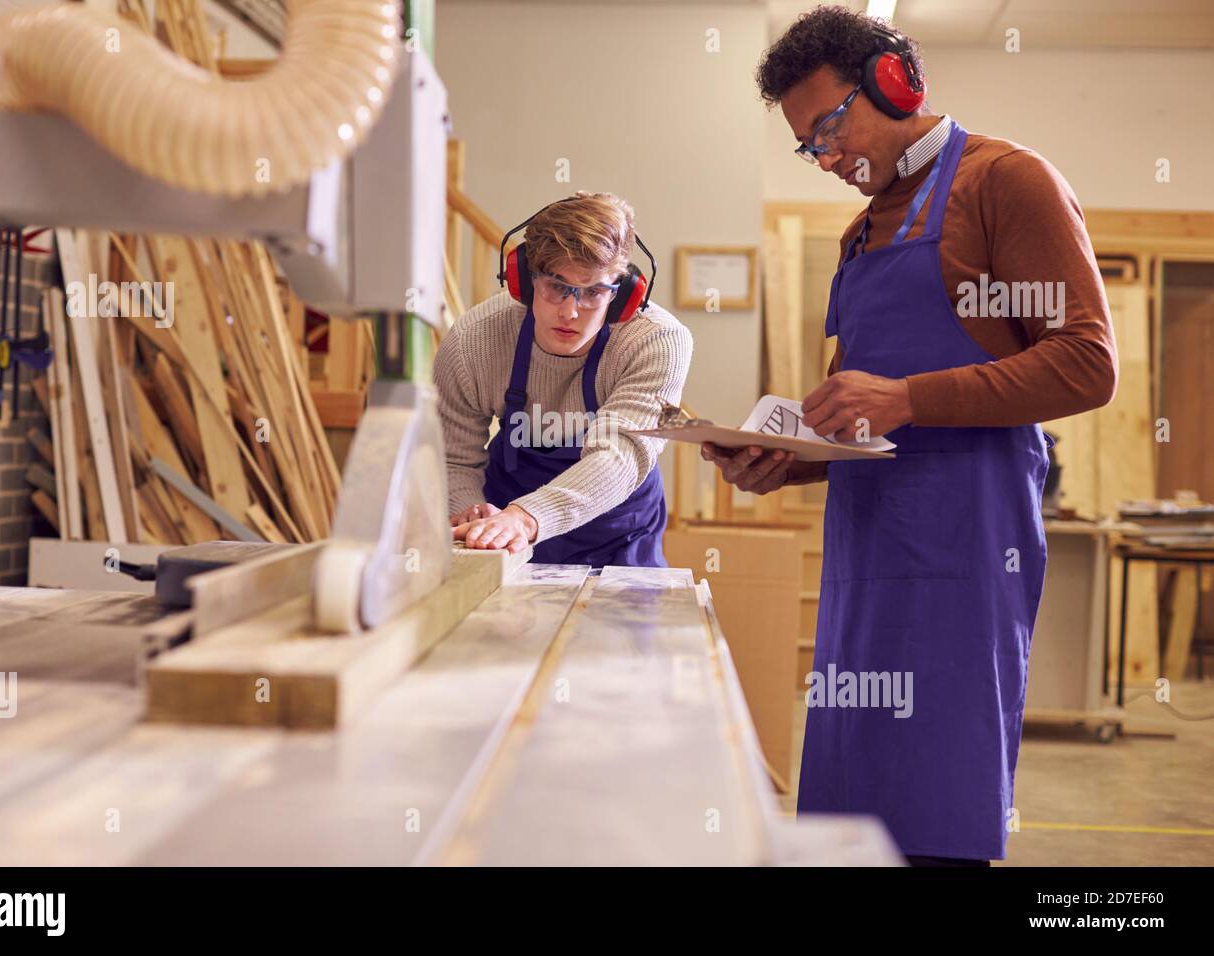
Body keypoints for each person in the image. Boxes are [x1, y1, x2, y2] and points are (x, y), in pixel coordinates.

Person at [703, 7, 1117, 866]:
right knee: (853, 807)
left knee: (939, 802)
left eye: (829, 125)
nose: (825, 156)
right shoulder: (860, 234)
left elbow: (1086, 364)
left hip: (968, 550)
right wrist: (789, 463)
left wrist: (909, 397)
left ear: (895, 83)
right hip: (868, 551)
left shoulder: (1008, 182)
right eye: (806, 145)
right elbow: (871, 420)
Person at [435, 191, 692, 566]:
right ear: (524, 280)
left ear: (623, 295)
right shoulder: (474, 341)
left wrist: (527, 518)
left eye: (593, 292)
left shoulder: (656, 341)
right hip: (507, 536)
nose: (570, 311)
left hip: (619, 537)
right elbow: (452, 458)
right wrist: (470, 512)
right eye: (557, 286)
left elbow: (621, 457)